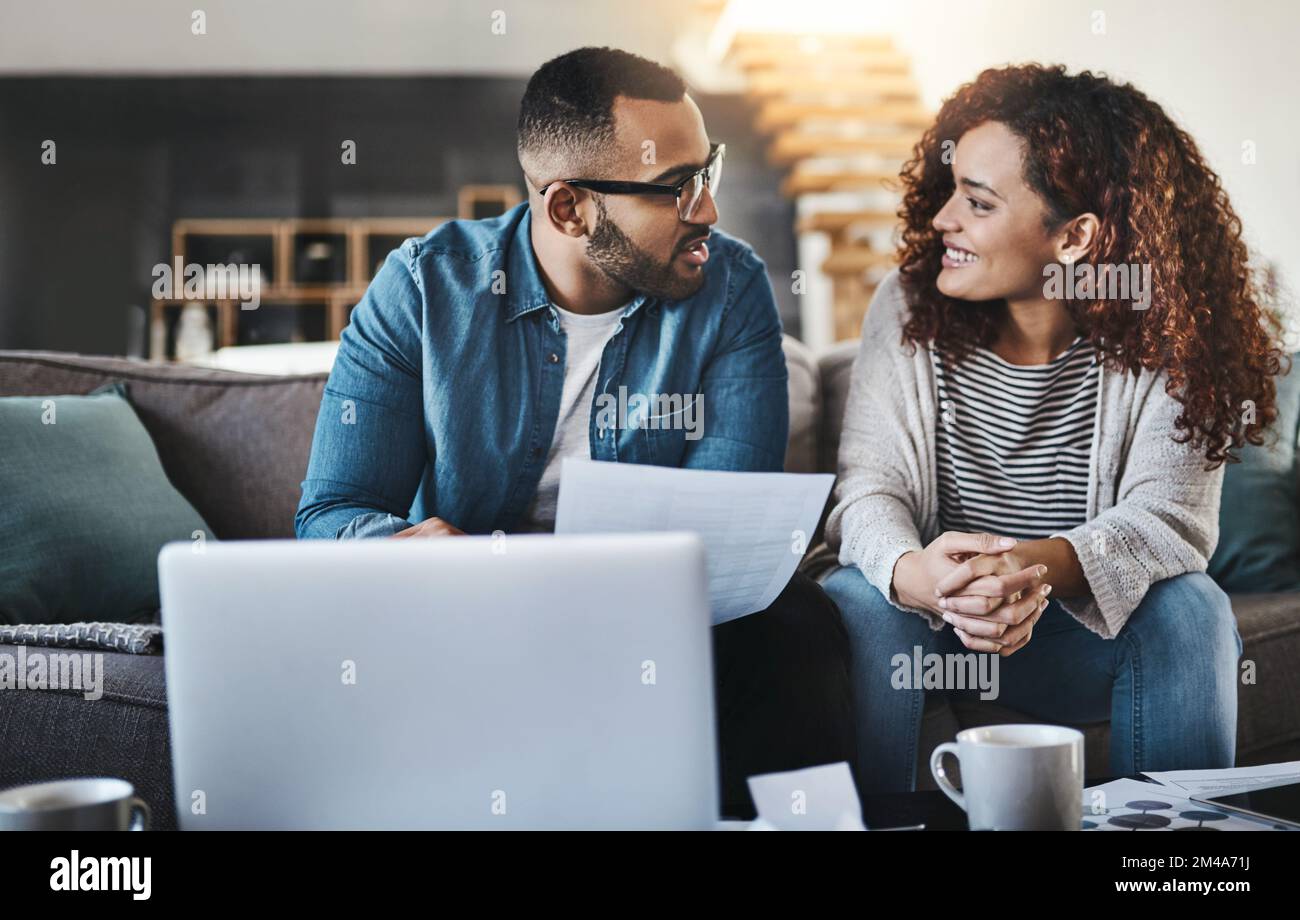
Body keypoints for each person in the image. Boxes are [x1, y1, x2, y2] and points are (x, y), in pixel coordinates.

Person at [296, 46, 855, 818]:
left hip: (659, 613)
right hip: (474, 608)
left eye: (709, 172)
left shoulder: (730, 287)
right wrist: (400, 549)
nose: (708, 211)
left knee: (797, 626)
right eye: (674, 188)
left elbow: (726, 523)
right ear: (568, 208)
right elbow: (331, 514)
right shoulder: (423, 289)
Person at [819, 63, 1286, 793]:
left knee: (1191, 608)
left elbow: (1168, 523)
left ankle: (1170, 859)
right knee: (858, 596)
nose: (943, 220)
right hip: (938, 636)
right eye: (950, 194)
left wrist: (1021, 571)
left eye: (976, 203)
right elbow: (870, 488)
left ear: (1074, 237)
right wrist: (923, 579)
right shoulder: (907, 306)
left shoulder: (1174, 329)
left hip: (1085, 644)